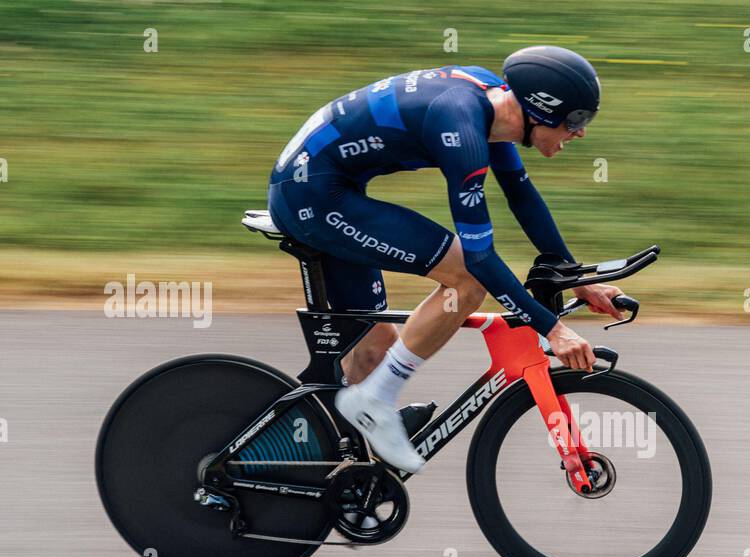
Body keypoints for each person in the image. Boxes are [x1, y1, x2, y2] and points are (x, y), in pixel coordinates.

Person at [266, 46, 624, 474]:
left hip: (328, 186)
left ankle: (337, 474)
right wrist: (552, 328)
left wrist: (576, 279)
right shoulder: (460, 126)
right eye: (577, 120)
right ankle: (372, 401)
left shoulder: (492, 105)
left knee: (372, 350)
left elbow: (521, 195)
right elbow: (480, 259)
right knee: (467, 281)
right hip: (313, 195)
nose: (581, 133)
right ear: (540, 111)